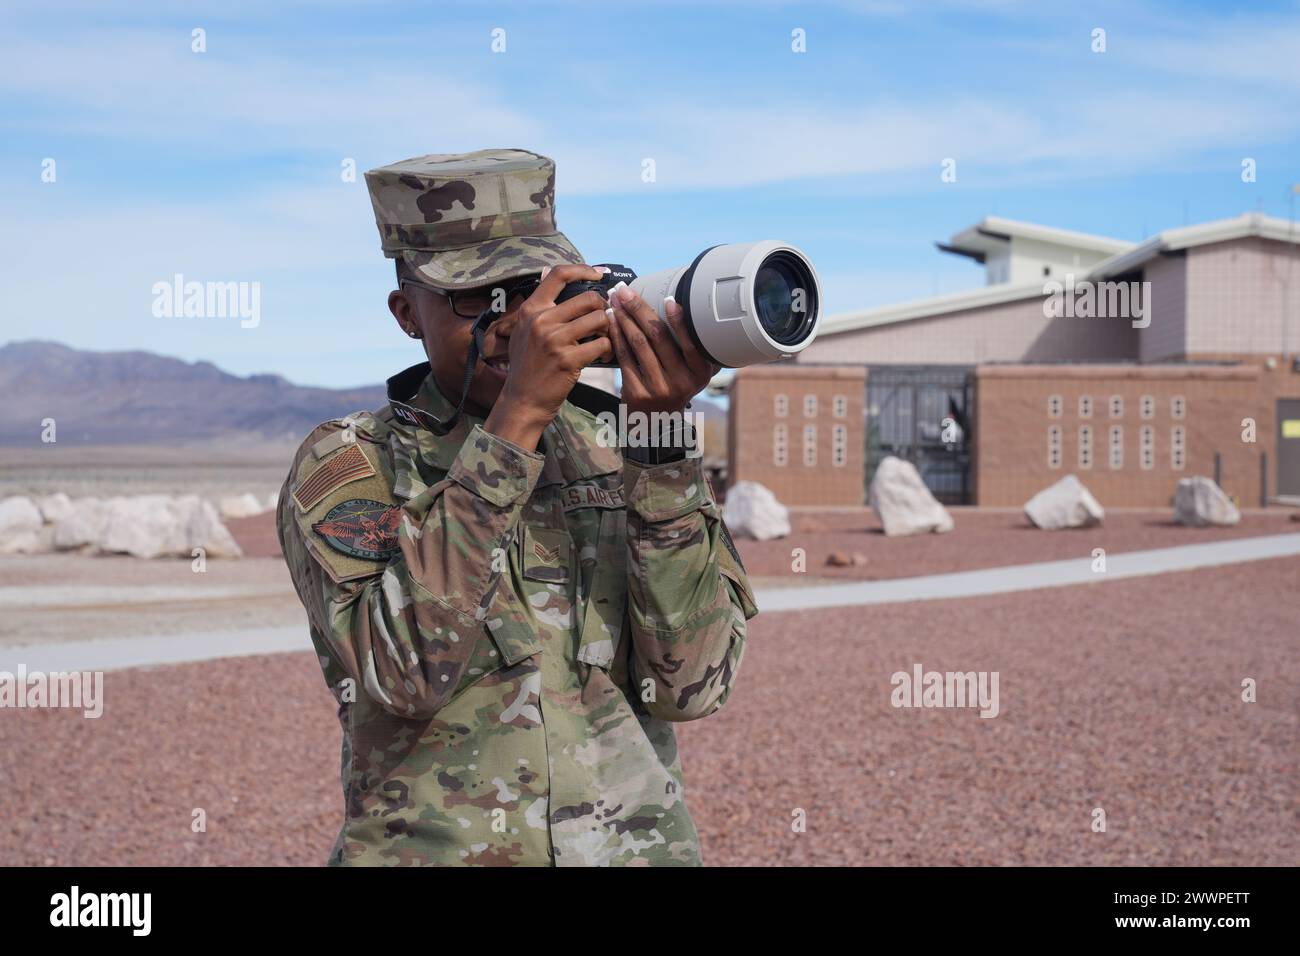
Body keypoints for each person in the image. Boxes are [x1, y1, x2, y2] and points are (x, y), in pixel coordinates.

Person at [276, 148, 758, 866]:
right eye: (479, 298)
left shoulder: (614, 443)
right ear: (407, 313)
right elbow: (404, 673)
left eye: (535, 288)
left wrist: (659, 444)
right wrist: (517, 419)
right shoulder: (352, 463)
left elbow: (690, 686)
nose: (520, 321)